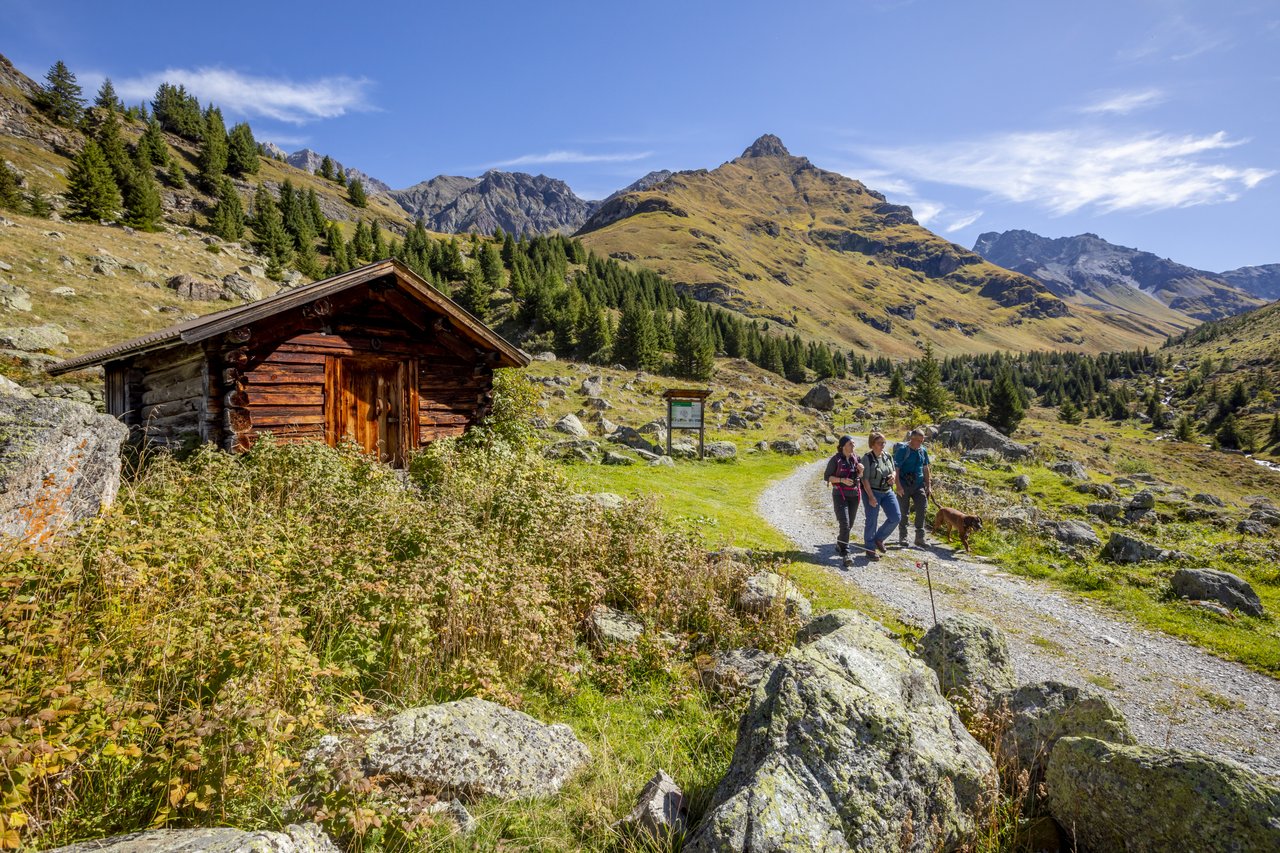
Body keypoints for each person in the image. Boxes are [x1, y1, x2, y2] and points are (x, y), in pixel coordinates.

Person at [823, 435, 864, 569]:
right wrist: (842, 480)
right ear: (843, 446)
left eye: (853, 444)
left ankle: (840, 544)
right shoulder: (835, 460)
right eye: (850, 444)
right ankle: (846, 553)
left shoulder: (856, 459)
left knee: (849, 524)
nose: (853, 446)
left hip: (854, 495)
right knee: (845, 524)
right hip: (840, 495)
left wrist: (861, 471)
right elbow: (827, 477)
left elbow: (860, 478)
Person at [860, 431, 900, 561]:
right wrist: (871, 497)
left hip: (887, 491)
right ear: (872, 444)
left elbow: (893, 470)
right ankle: (869, 549)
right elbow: (864, 480)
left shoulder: (887, 456)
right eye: (880, 443)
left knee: (895, 517)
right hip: (872, 491)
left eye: (884, 442)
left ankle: (879, 538)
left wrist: (893, 477)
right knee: (872, 520)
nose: (883, 445)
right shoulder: (867, 458)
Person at [893, 428, 932, 547]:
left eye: (922, 440)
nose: (920, 443)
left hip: (918, 485)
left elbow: (926, 468)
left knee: (922, 508)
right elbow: (896, 469)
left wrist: (928, 485)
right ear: (912, 439)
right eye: (918, 440)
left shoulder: (923, 451)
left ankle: (919, 538)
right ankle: (903, 537)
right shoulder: (903, 450)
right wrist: (898, 486)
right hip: (904, 484)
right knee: (904, 512)